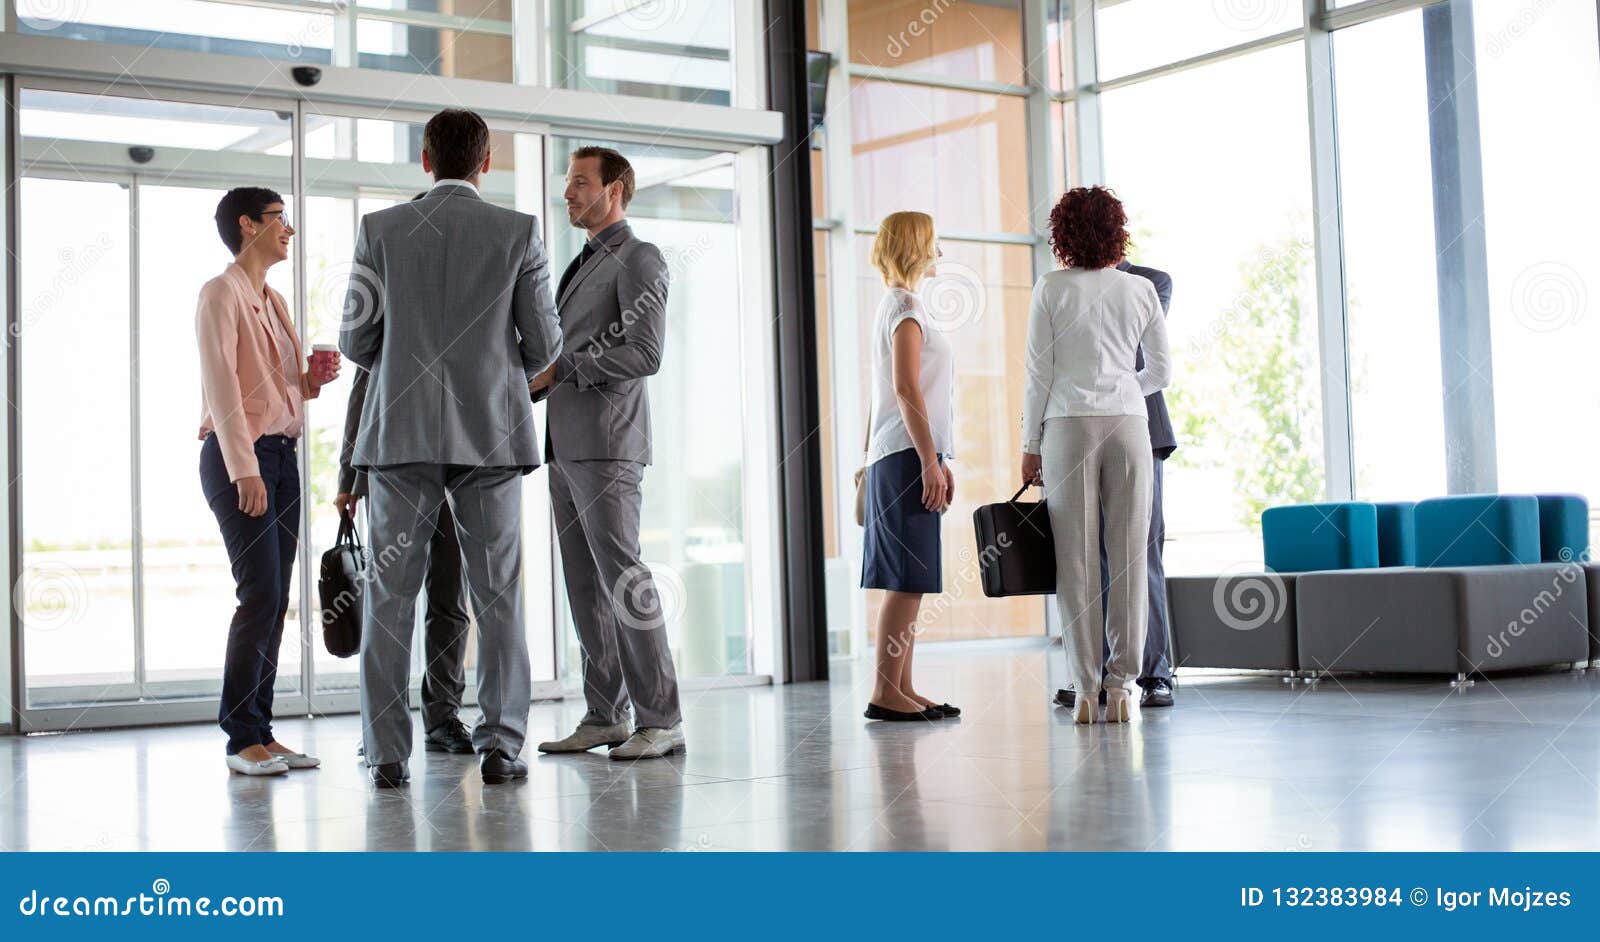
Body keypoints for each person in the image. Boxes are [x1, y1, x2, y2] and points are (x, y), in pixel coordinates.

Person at [340, 108, 562, 788]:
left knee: (388, 598)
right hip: (490, 437)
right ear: (486, 162)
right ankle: (501, 745)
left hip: (399, 435)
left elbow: (355, 343)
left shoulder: (380, 230)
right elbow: (547, 347)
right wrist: (493, 364)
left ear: (427, 159)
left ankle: (386, 755)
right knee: (497, 597)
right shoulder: (519, 232)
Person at [530, 146, 684, 761]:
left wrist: (564, 367)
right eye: (569, 184)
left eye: (579, 183)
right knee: (584, 586)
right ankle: (605, 714)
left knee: (624, 579)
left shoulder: (639, 258)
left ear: (614, 189)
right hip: (565, 445)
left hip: (609, 445)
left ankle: (661, 718)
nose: (568, 193)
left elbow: (646, 354)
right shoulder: (584, 261)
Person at [197, 187, 340, 776]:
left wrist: (308, 381)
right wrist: (244, 470)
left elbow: (274, 388)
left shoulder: (273, 299)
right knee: (258, 595)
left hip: (281, 456)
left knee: (277, 599)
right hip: (242, 458)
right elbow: (222, 388)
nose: (289, 229)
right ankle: (240, 740)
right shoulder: (219, 293)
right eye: (281, 219)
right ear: (247, 224)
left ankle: (262, 730)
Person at [1021, 186, 1170, 725]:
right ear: (1116, 232)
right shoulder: (1141, 290)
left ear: (1063, 234)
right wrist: (1123, 387)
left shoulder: (1050, 288)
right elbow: (1161, 371)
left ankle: (1085, 690)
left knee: (1076, 562)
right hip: (1129, 425)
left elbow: (1037, 373)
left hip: (1066, 426)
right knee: (1130, 558)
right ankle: (1122, 688)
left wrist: (1028, 446)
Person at [1055, 255, 1177, 710]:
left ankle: (1154, 672)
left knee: (1140, 552)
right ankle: (1098, 674)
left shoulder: (1150, 282)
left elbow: (1141, 357)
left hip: (1138, 430)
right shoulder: (1059, 289)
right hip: (1078, 428)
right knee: (1086, 554)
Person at [858, 210, 957, 723]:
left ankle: (901, 685)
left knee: (913, 576)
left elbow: (886, 393)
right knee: (907, 579)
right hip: (904, 457)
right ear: (917, 246)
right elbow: (905, 387)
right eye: (934, 243)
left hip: (905, 454)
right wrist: (928, 462)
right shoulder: (904, 306)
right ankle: (883, 690)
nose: (939, 252)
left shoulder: (900, 304)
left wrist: (940, 457)